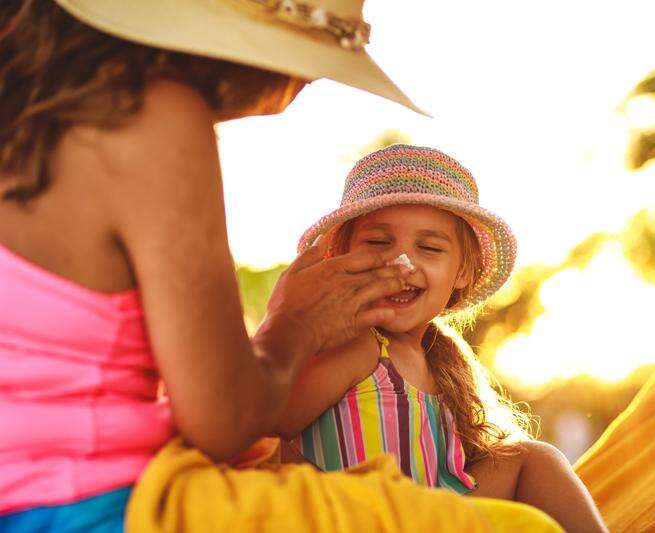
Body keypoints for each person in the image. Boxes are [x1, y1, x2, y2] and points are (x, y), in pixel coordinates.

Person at [0, 1, 565, 531]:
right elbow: (222, 422)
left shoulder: (29, 114)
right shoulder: (155, 115)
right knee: (526, 526)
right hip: (97, 507)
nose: (313, 77)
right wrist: (296, 324)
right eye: (314, 56)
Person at [275, 145, 608, 532]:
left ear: (464, 271)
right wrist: (327, 495)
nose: (401, 262)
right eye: (378, 243)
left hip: (431, 517)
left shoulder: (437, 359)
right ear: (341, 257)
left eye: (429, 248)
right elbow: (263, 434)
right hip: (362, 520)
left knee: (533, 459)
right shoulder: (356, 346)